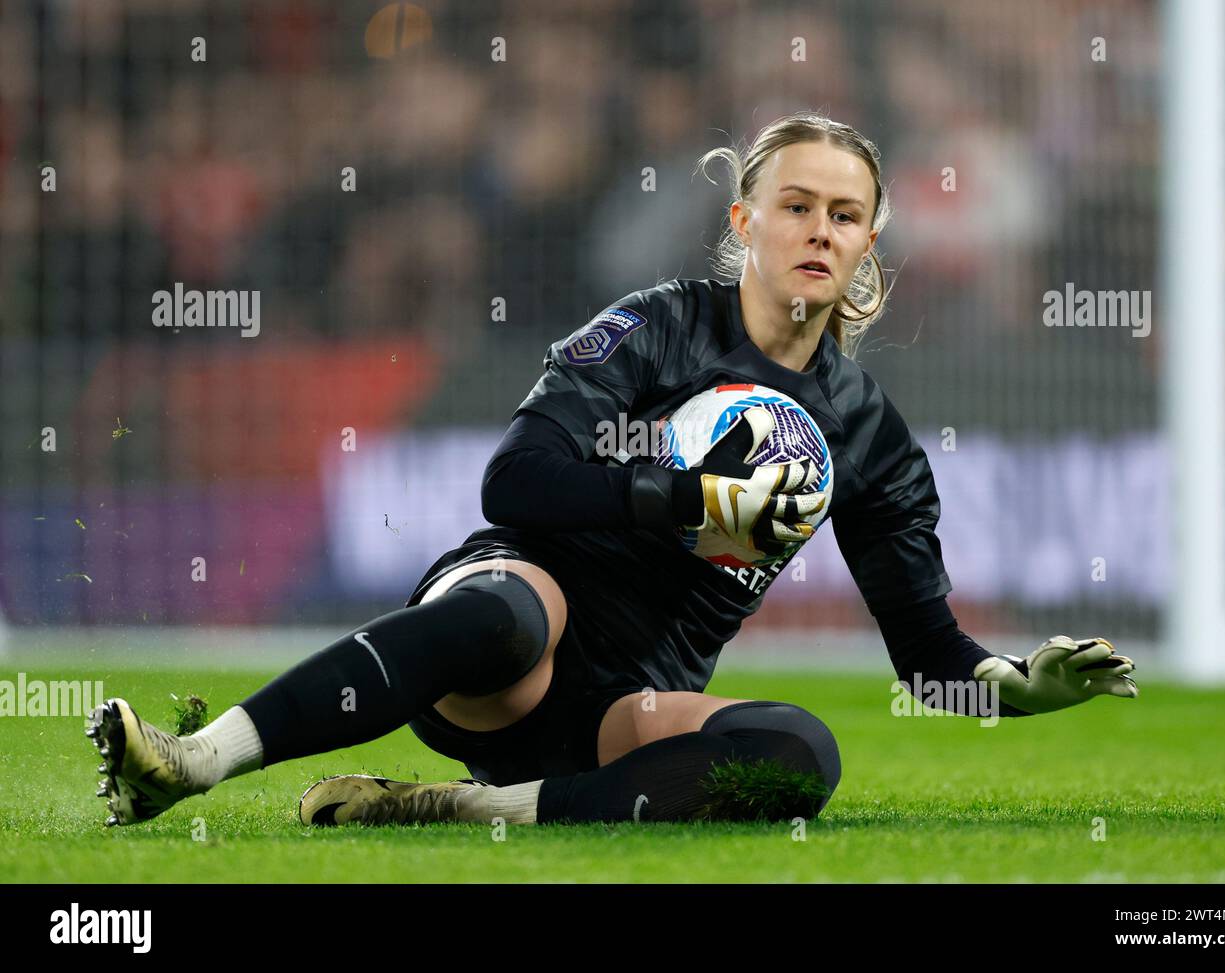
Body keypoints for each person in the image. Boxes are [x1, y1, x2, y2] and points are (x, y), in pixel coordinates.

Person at [87, 112, 1138, 829]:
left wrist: (1018, 688)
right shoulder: (657, 328)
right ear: (744, 223)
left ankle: (453, 808)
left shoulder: (868, 439)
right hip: (512, 642)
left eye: (846, 214)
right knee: (509, 611)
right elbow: (517, 482)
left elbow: (927, 660)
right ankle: (194, 761)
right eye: (796, 205)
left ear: (867, 246)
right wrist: (685, 497)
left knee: (800, 757)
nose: (820, 229)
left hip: (623, 715)